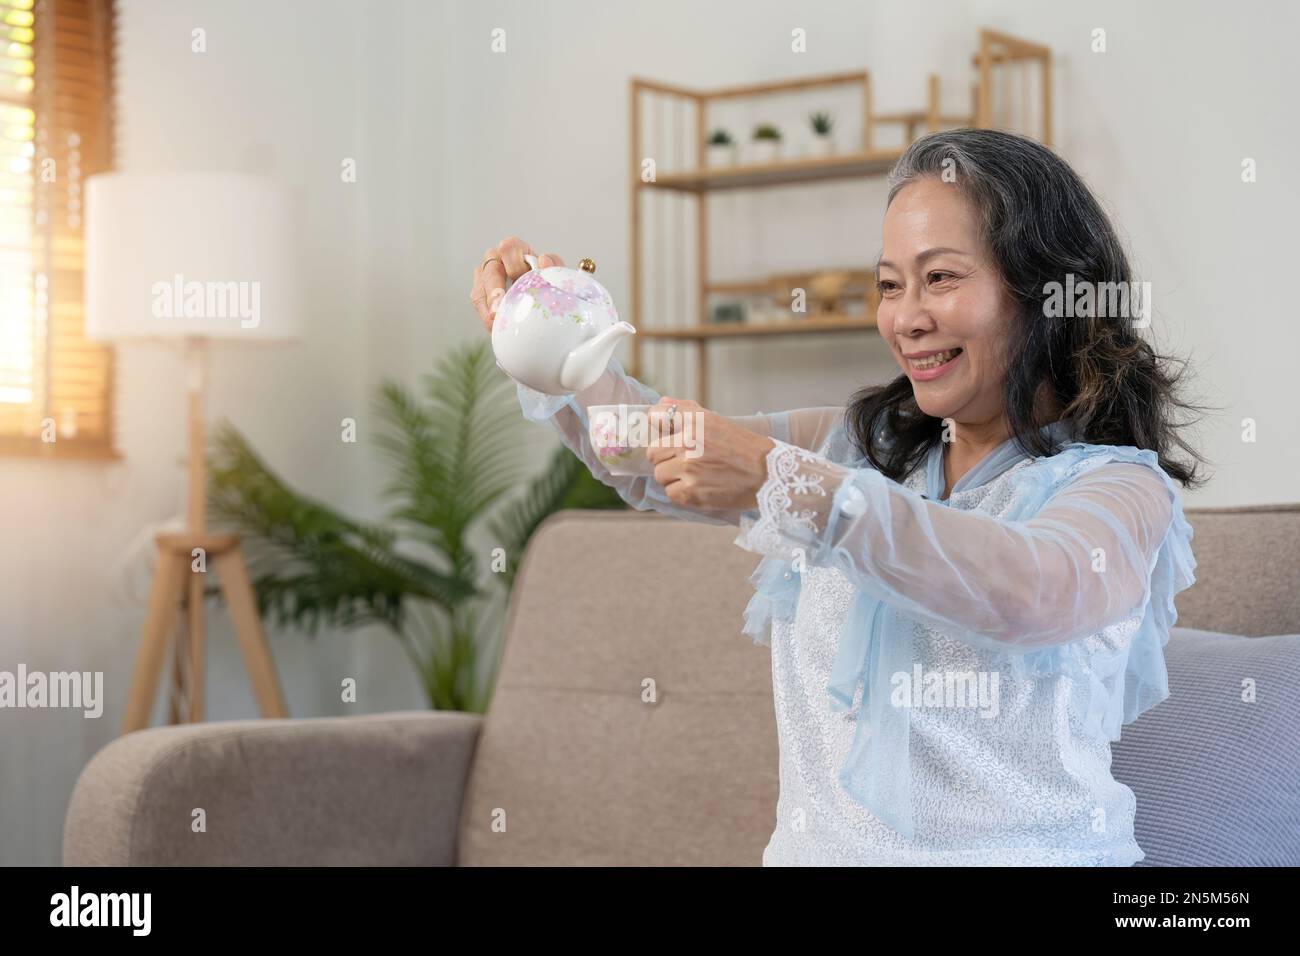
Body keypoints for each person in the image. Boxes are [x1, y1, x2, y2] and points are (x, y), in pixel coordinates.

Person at [468, 127, 1205, 866]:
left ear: (1046, 292)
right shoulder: (861, 445)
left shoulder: (1118, 488)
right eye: (889, 285)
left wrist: (787, 485)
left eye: (940, 278)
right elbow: (640, 455)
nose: (906, 317)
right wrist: (557, 349)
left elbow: (1029, 590)